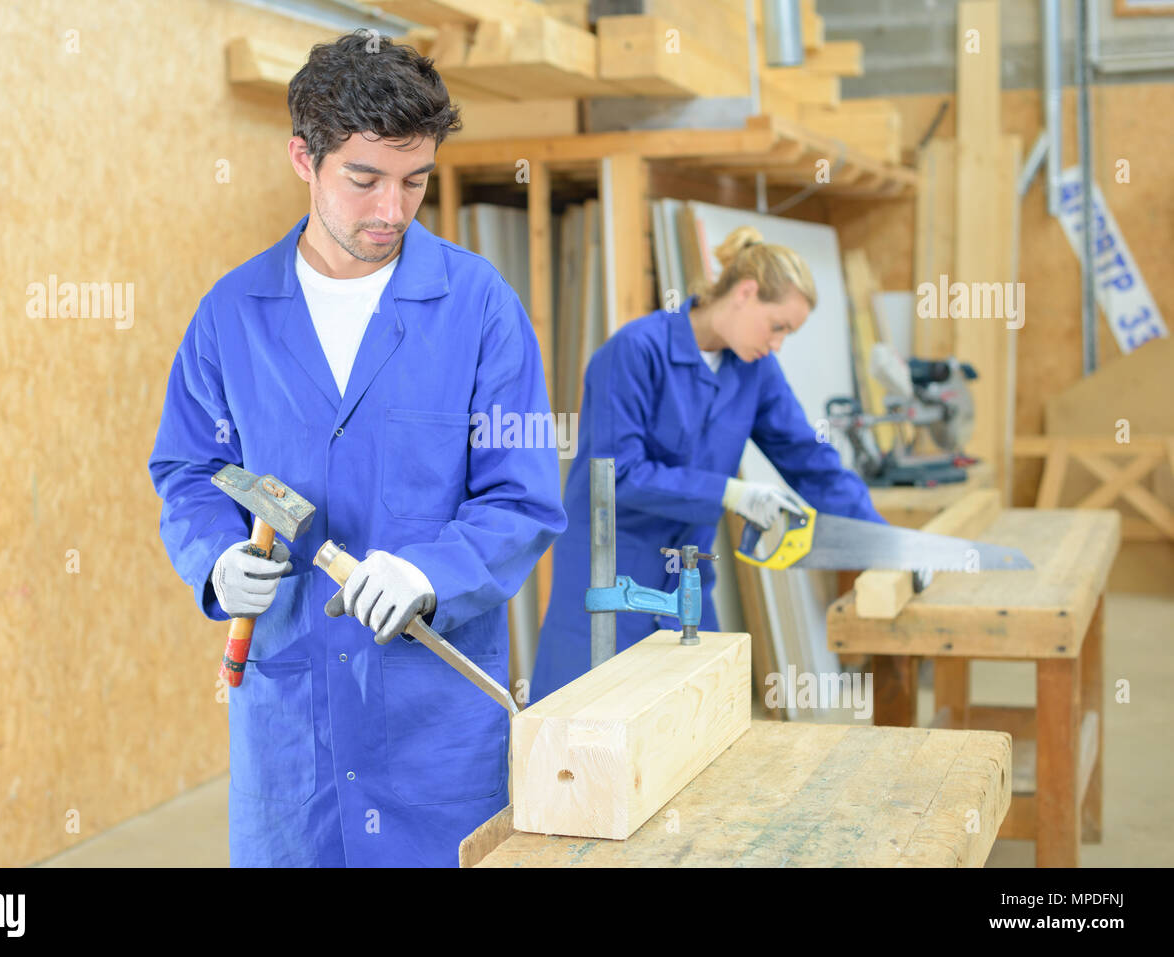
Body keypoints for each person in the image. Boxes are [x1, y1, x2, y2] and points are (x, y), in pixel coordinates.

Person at [147, 31, 565, 867]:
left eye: (415, 181)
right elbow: (190, 470)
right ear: (303, 158)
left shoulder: (479, 307)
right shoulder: (232, 316)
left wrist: (429, 572)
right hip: (290, 721)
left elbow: (522, 496)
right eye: (364, 179)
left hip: (433, 721)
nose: (391, 210)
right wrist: (214, 561)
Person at [529, 226, 886, 703]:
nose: (778, 343)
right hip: (612, 576)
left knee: (698, 729)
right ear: (745, 293)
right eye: (777, 325)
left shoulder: (753, 369)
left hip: (687, 578)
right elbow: (619, 476)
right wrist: (730, 492)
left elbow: (809, 461)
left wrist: (881, 541)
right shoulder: (635, 352)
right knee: (588, 731)